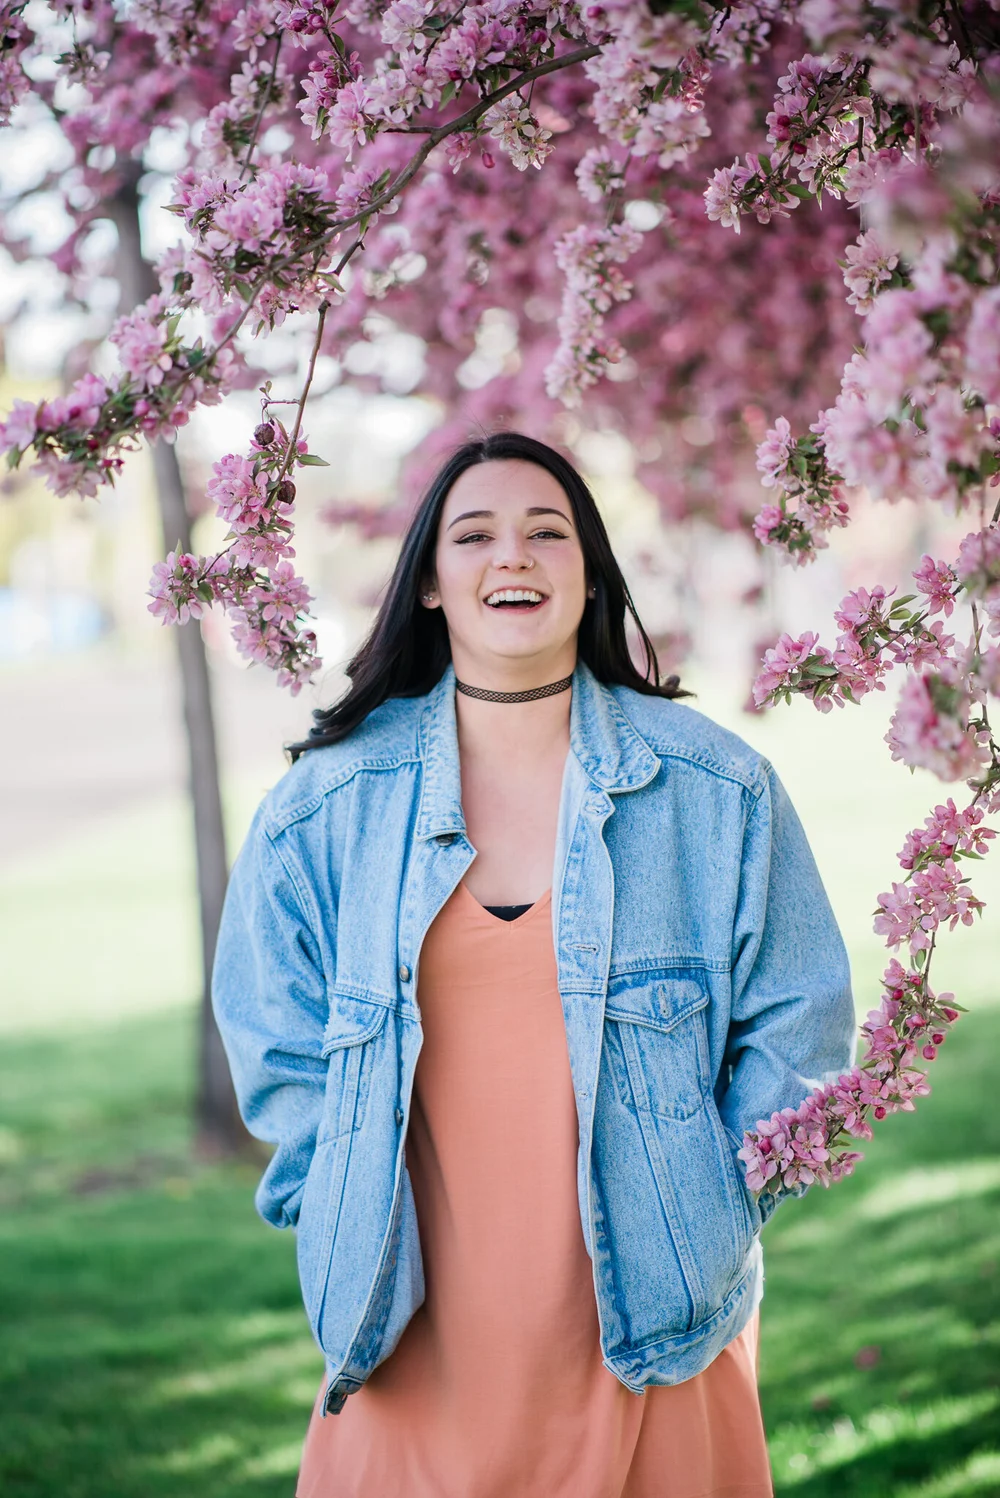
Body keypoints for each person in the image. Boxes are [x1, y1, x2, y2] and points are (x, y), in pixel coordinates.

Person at [212, 431, 855, 1498]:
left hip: (656, 1328)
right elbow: (279, 1056)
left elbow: (801, 1029)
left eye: (545, 531)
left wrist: (704, 1207)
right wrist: (337, 1201)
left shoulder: (717, 789)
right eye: (476, 534)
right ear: (428, 580)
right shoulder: (323, 810)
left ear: (591, 570)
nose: (512, 556)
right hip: (409, 1330)